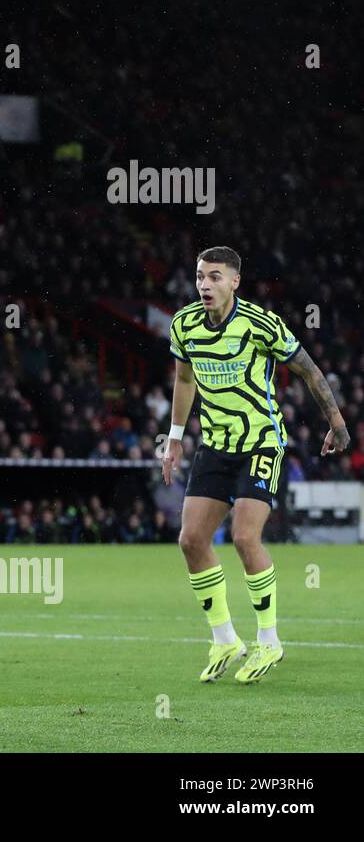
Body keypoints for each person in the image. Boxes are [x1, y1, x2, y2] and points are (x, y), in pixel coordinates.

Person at [162, 247, 349, 684]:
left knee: (246, 538)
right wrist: (173, 439)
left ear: (234, 282)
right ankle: (225, 637)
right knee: (191, 540)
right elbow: (185, 379)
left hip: (261, 442)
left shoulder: (259, 324)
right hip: (215, 445)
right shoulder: (184, 325)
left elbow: (307, 368)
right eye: (199, 277)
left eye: (214, 277)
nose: (204, 285)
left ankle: (269, 638)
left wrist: (337, 422)